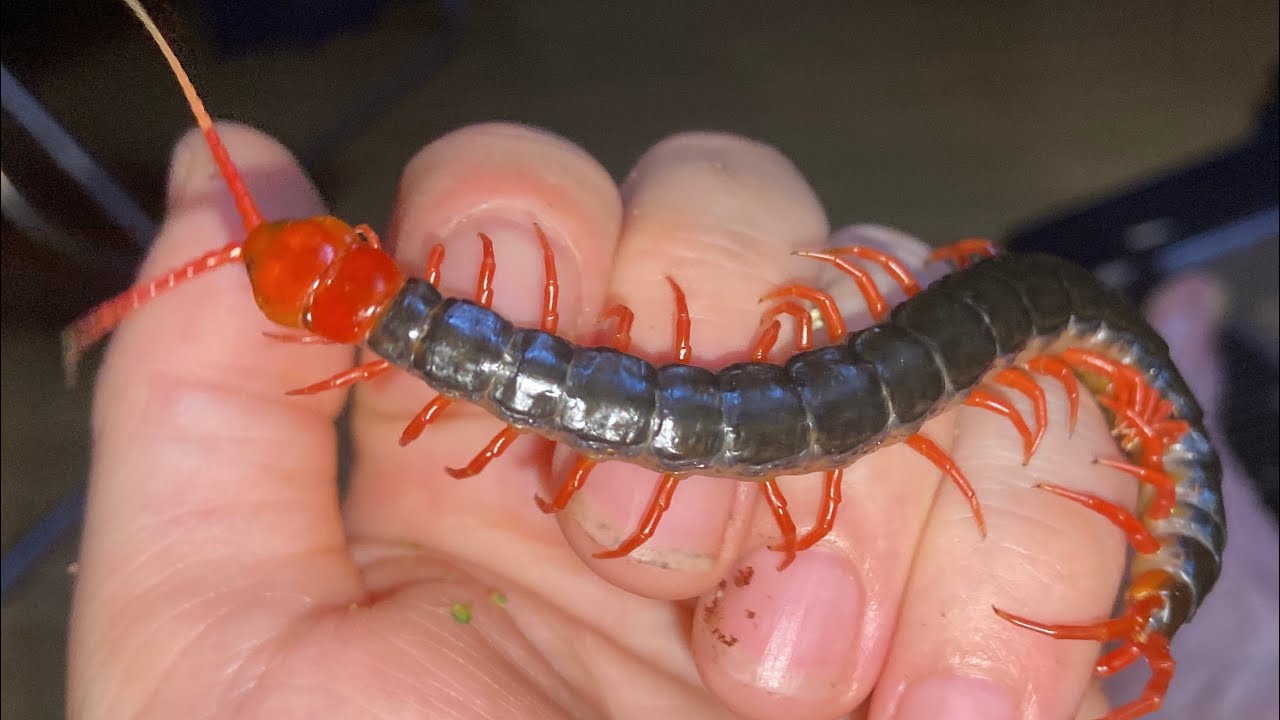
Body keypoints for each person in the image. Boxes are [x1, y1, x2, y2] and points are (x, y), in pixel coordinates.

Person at [66, 122, 1279, 719]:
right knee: (711, 391)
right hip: (782, 397)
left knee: (723, 385)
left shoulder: (1093, 377)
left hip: (967, 353)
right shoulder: (456, 349)